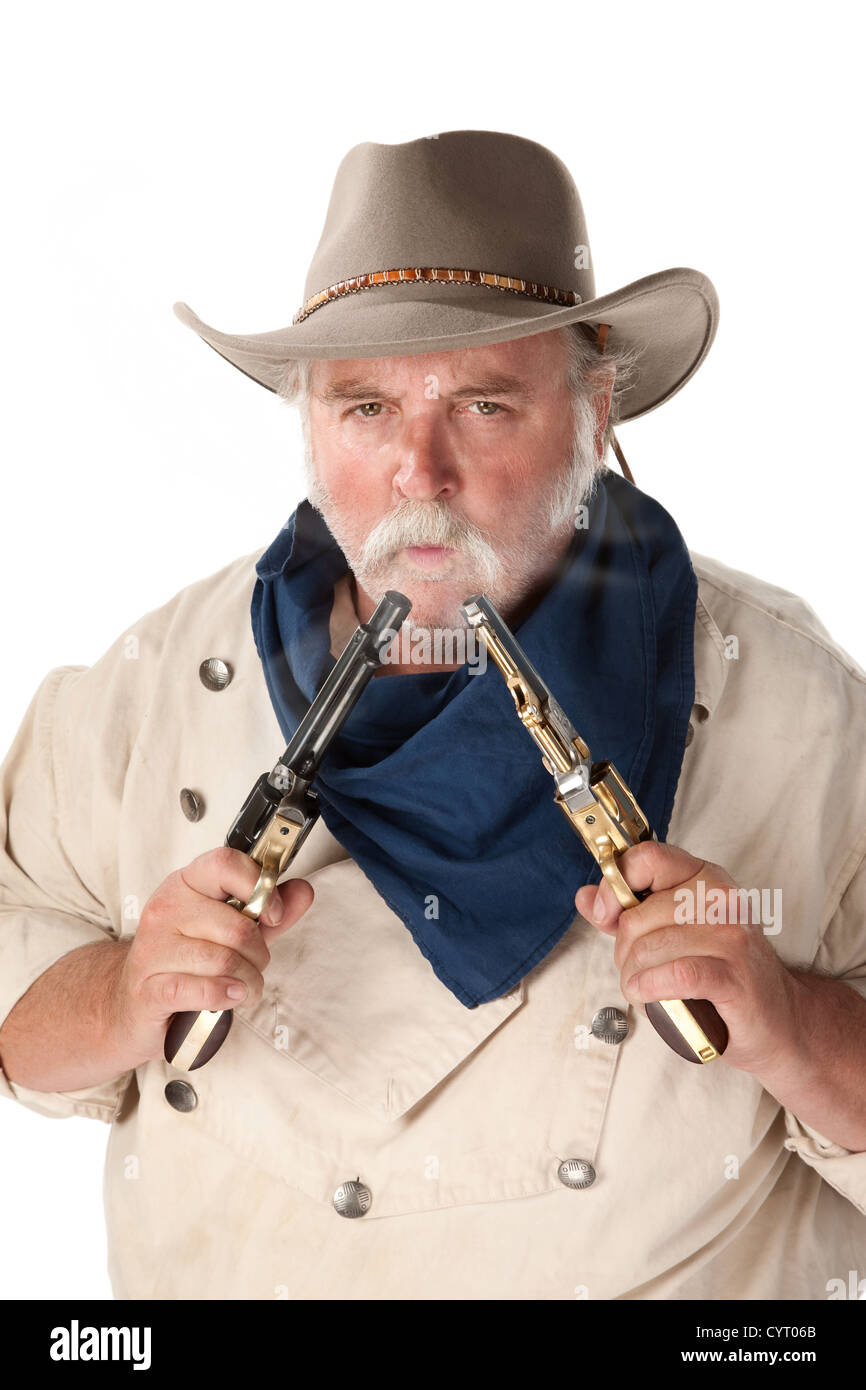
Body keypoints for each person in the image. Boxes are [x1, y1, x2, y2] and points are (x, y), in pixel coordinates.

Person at [1, 130, 864, 1302]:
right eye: (364, 407)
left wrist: (795, 1024)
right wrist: (115, 996)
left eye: (484, 405)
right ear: (307, 421)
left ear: (595, 407)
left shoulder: (805, 717)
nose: (419, 470)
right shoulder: (141, 691)